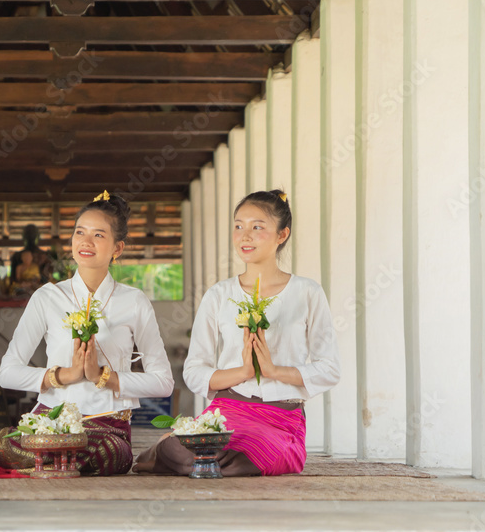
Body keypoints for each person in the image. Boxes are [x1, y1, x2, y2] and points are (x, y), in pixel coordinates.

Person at [0, 191, 174, 476]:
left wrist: (103, 377)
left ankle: (12, 458)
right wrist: (63, 376)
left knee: (112, 454)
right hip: (51, 423)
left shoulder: (134, 301)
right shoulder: (48, 297)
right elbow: (8, 372)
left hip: (107, 427)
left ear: (117, 248)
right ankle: (26, 456)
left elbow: (163, 383)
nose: (85, 241)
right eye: (79, 232)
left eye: (98, 235)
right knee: (38, 441)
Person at [134, 189, 340, 476]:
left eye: (257, 227)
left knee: (251, 457)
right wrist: (243, 372)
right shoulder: (219, 294)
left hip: (279, 418)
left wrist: (273, 370)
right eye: (238, 226)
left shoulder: (307, 293)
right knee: (203, 449)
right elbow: (194, 370)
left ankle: (175, 455)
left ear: (282, 235)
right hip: (226, 411)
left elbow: (329, 369)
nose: (245, 236)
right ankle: (175, 450)